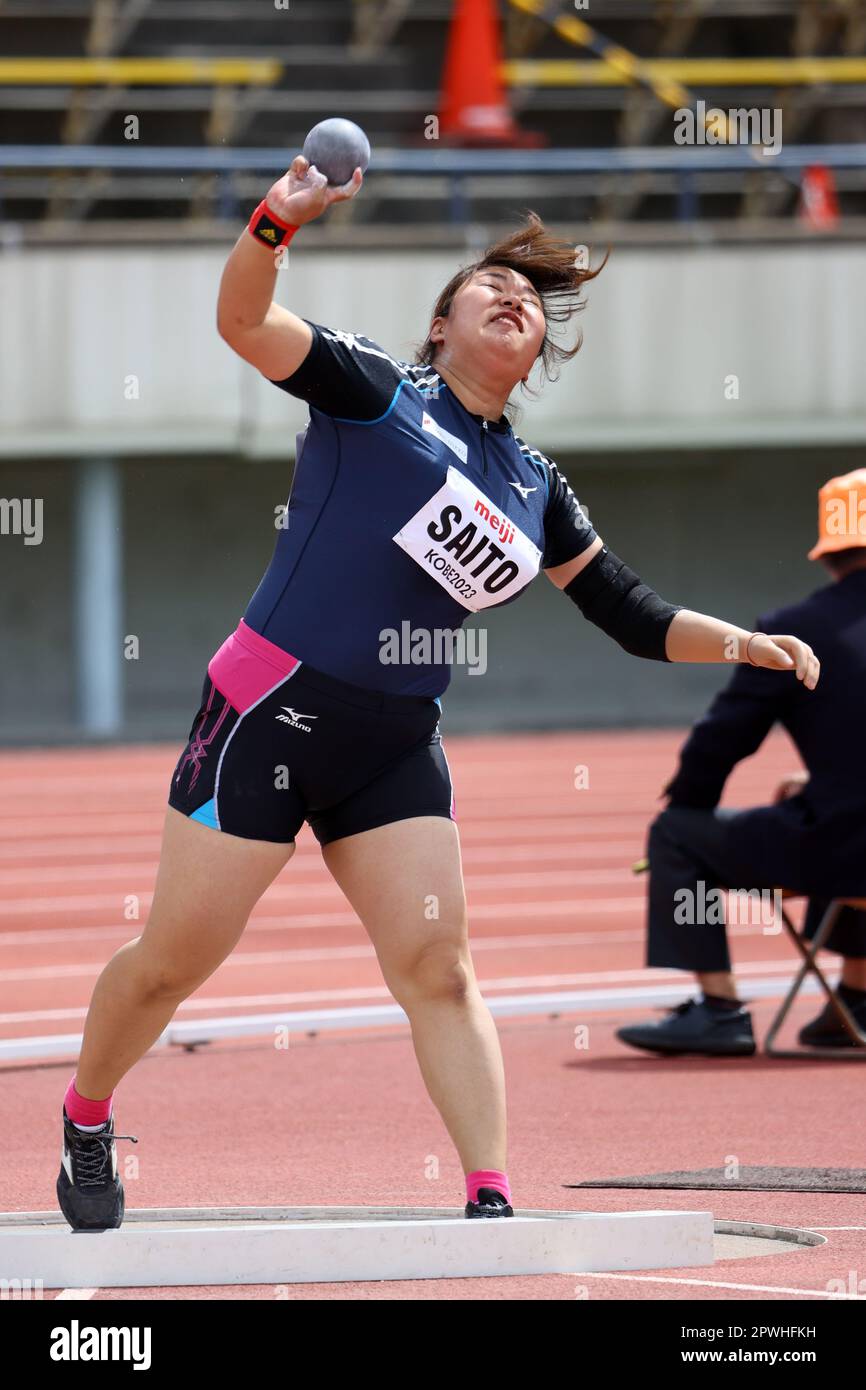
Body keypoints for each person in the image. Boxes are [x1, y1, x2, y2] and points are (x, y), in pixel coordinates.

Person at [56, 155, 819, 1231]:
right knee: (174, 960)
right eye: (487, 288)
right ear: (439, 324)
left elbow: (628, 614)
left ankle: (488, 1193)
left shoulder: (531, 483)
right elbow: (241, 319)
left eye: (527, 300)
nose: (513, 299)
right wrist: (279, 217)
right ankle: (88, 1114)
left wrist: (745, 640)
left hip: (393, 742)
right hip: (271, 709)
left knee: (438, 965)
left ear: (537, 349)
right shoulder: (372, 392)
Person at [617, 469, 866, 1058]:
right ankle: (858, 997)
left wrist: (686, 802)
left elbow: (723, 737)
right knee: (843, 811)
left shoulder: (796, 631)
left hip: (846, 847)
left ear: (830, 554)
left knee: (681, 836)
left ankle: (721, 1010)